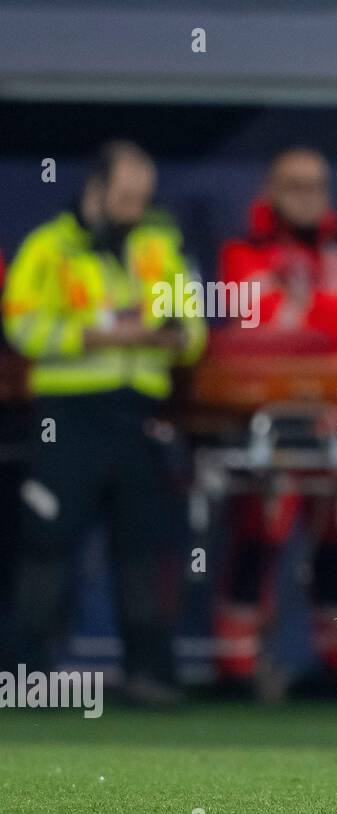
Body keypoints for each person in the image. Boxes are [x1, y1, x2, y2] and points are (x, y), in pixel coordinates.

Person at [1, 140, 206, 703]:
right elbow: (20, 325)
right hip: (67, 415)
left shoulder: (159, 247)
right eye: (124, 196)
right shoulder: (50, 246)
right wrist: (92, 336)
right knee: (49, 541)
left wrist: (161, 334)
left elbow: (193, 330)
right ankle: (26, 677)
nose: (134, 208)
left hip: (139, 417)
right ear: (95, 188)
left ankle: (150, 674)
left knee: (145, 546)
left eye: (142, 197)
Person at [211, 147, 337, 689]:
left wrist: (309, 307)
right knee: (258, 539)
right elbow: (264, 321)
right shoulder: (244, 253)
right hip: (266, 426)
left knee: (336, 550)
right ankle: (236, 666)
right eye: (293, 185)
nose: (307, 196)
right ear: (270, 190)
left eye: (315, 185)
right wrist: (335, 314)